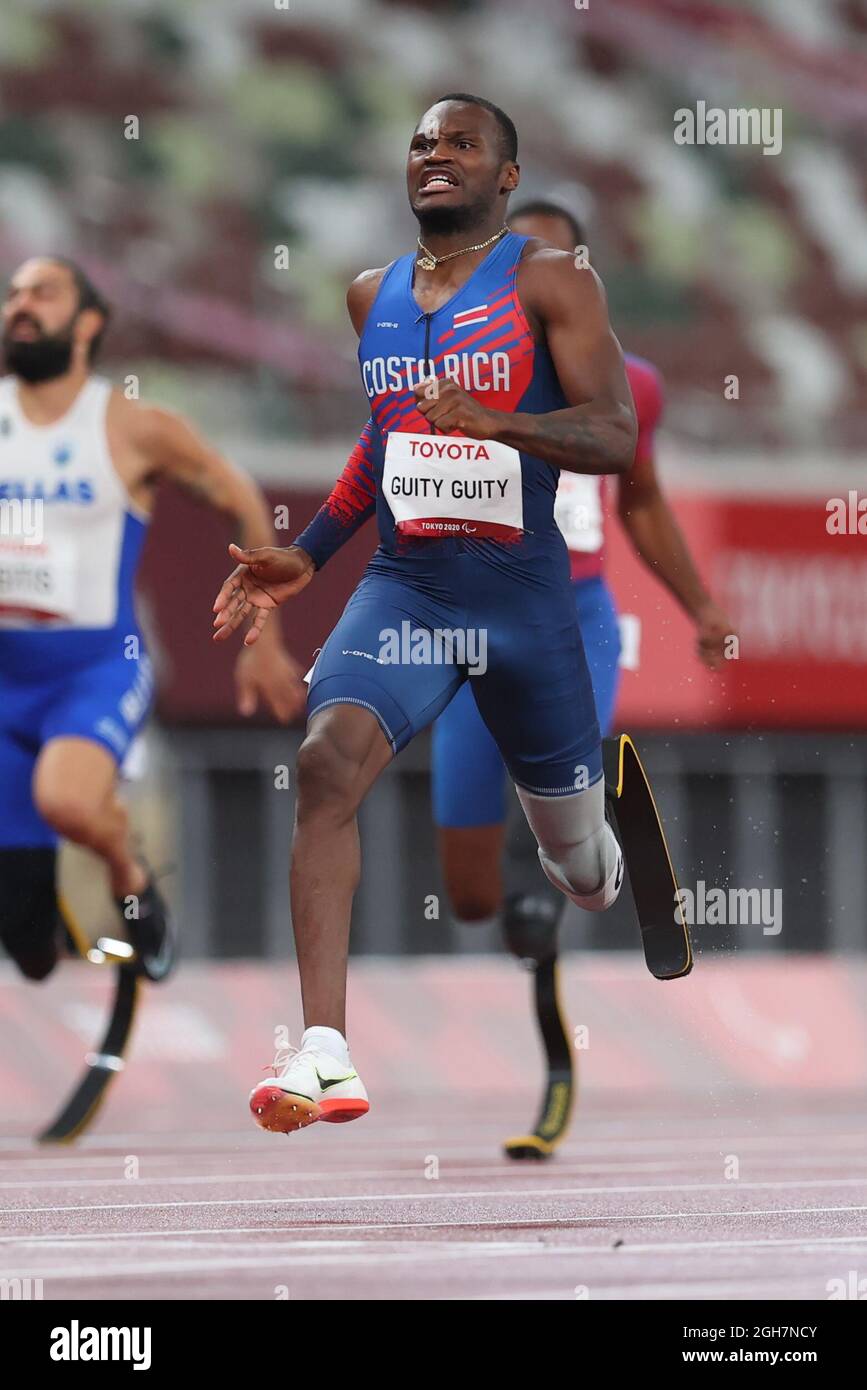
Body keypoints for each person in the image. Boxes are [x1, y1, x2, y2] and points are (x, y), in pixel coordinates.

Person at [213, 94, 638, 1134]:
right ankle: (324, 1051)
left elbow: (616, 433)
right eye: (419, 142)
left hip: (525, 602)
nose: (434, 154)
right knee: (325, 764)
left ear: (505, 176)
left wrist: (494, 418)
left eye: (460, 143)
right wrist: (308, 556)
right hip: (410, 587)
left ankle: (594, 854)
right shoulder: (371, 296)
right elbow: (383, 440)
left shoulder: (552, 281)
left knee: (579, 872)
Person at [428, 199, 735, 1153]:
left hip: (575, 621)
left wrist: (700, 606)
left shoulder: (629, 385)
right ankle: (564, 853)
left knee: (533, 871)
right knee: (478, 899)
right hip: (474, 627)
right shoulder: (446, 373)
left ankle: (577, 847)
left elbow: (640, 502)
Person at [0, 256, 305, 983]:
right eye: (12, 294)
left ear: (88, 324)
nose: (20, 305)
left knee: (68, 801)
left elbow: (242, 497)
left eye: (42, 293)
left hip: (92, 670)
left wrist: (266, 636)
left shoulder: (132, 426)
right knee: (30, 949)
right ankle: (50, 922)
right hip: (5, 676)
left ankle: (128, 872)